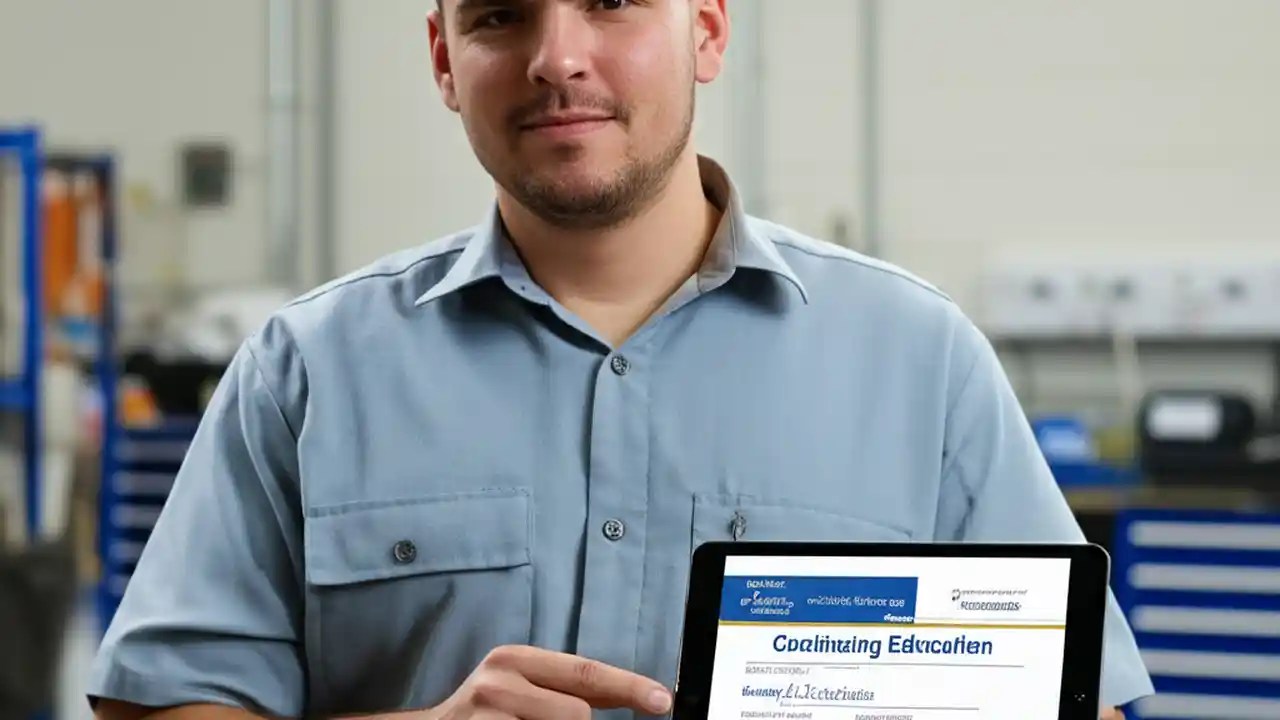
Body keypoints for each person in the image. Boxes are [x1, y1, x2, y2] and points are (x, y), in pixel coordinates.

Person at [91, 1, 1152, 718]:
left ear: (705, 29)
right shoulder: (306, 369)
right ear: (442, 60)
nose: (556, 56)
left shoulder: (919, 362)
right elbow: (165, 697)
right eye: (500, 13)